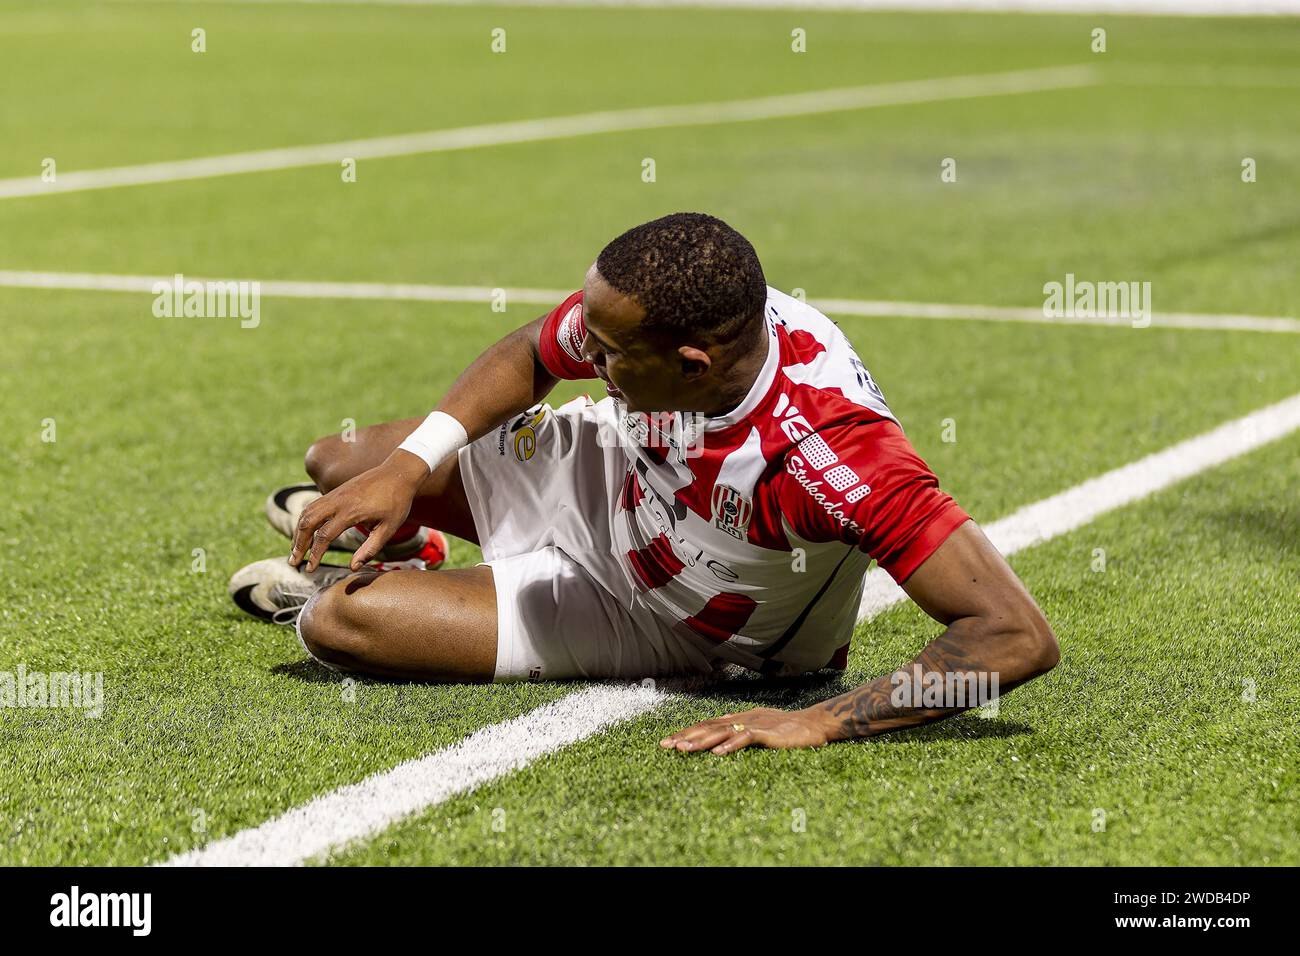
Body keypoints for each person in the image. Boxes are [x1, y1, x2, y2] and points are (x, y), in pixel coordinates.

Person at [229, 212, 1057, 754]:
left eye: (609, 352)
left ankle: (404, 583)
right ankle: (416, 546)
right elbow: (530, 351)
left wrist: (819, 721)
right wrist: (409, 469)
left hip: (673, 620)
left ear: (692, 365)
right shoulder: (675, 316)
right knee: (339, 461)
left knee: (340, 624)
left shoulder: (831, 454)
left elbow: (1013, 634)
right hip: (615, 471)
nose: (585, 358)